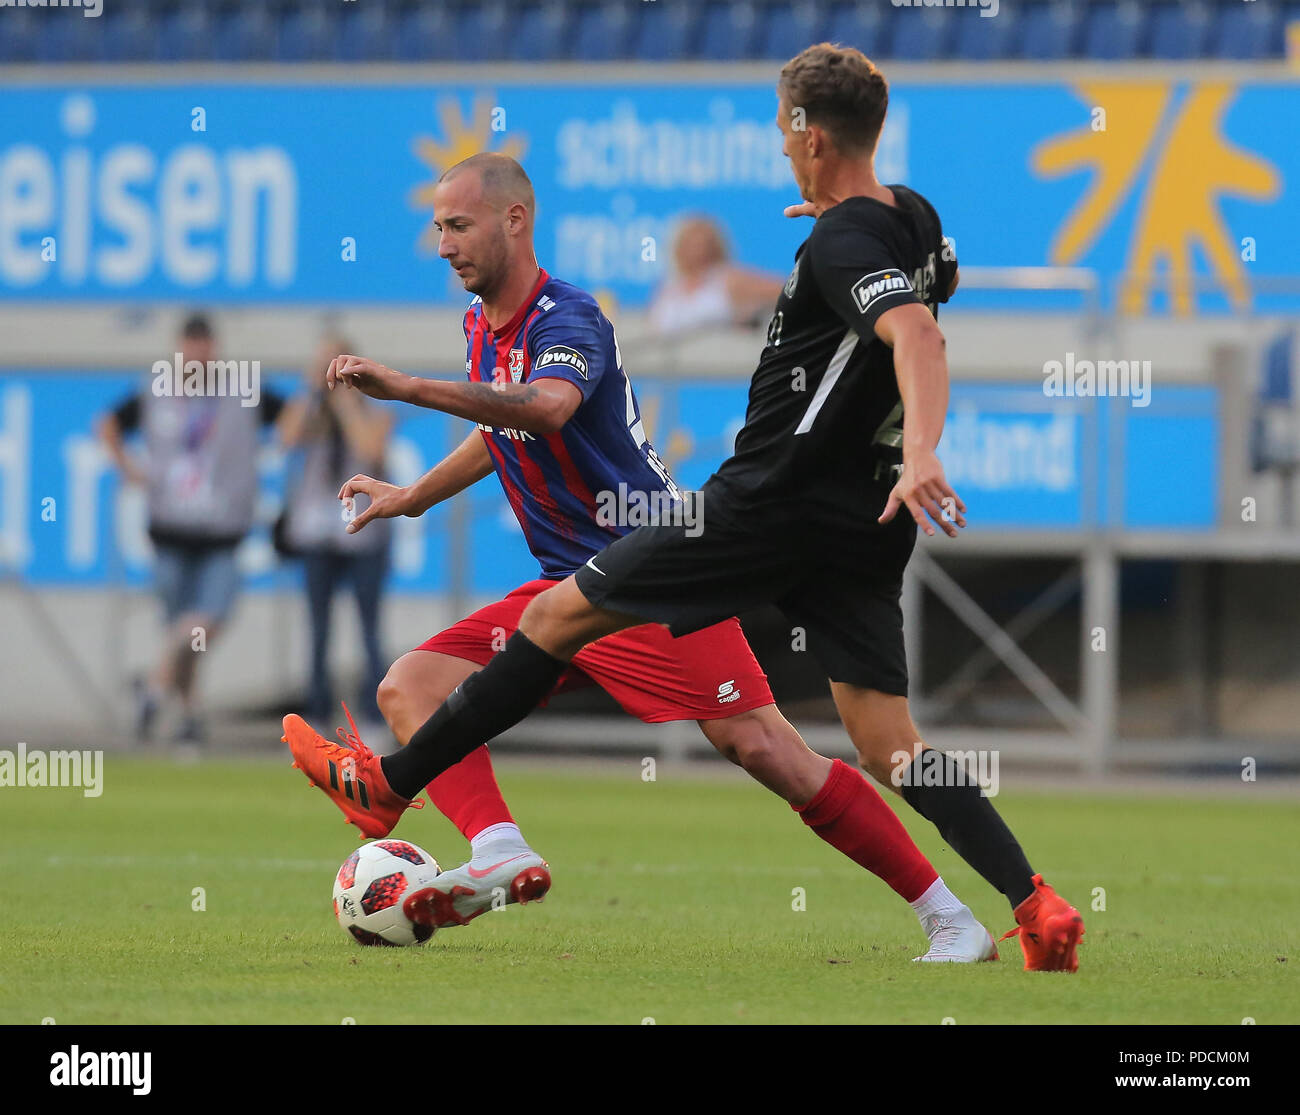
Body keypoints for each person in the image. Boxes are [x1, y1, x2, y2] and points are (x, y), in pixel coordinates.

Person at [286, 47, 1087, 973]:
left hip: (744, 515)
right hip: (849, 523)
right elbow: (924, 285)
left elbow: (915, 332)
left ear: (814, 138)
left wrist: (920, 445)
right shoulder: (906, 220)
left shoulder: (583, 314)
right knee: (886, 744)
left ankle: (386, 789)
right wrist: (410, 498)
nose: (445, 242)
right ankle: (1031, 903)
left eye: (787, 131)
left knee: (763, 745)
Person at [99, 313, 285, 750]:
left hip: (222, 532)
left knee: (203, 621)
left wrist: (274, 450)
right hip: (170, 531)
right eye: (192, 345)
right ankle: (188, 714)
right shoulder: (155, 390)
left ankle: (152, 686)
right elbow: (107, 423)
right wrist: (129, 469)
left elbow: (291, 413)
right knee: (187, 637)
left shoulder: (240, 390)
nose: (199, 354)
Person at [277, 336, 394, 730]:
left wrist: (345, 402)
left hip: (364, 537)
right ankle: (317, 711)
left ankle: (375, 715)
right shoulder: (311, 415)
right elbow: (286, 438)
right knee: (318, 629)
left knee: (369, 629)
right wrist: (312, 391)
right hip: (317, 535)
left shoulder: (374, 411)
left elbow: (369, 450)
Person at [647, 215, 785, 335]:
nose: (697, 252)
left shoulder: (727, 279)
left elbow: (785, 290)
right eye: (690, 245)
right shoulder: (669, 287)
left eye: (702, 245)